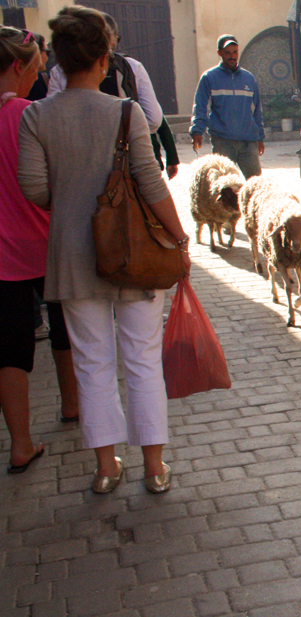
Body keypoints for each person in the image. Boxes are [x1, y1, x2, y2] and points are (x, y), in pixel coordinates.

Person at [18, 6, 191, 494]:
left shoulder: (36, 115)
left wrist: (74, 203)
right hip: (133, 251)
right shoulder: (124, 111)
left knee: (91, 362)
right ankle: (154, 468)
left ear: (60, 59)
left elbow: (33, 187)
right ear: (103, 56)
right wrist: (178, 239)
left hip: (72, 256)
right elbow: (151, 183)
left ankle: (105, 467)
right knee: (142, 359)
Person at [0, 26, 79, 475]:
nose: (42, 72)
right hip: (47, 244)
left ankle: (20, 445)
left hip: (2, 256)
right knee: (64, 329)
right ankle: (72, 407)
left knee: (9, 349)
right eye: (35, 65)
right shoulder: (32, 115)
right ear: (17, 65)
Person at [47, 12, 163, 133]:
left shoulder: (59, 70)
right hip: (121, 146)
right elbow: (153, 120)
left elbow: (51, 115)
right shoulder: (132, 66)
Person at [190, 34, 265, 178]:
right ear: (219, 53)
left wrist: (260, 137)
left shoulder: (249, 78)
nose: (232, 56)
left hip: (248, 142)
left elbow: (257, 110)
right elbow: (200, 106)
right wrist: (197, 132)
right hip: (223, 141)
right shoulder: (209, 77)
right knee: (225, 187)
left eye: (235, 52)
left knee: (255, 186)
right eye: (227, 53)